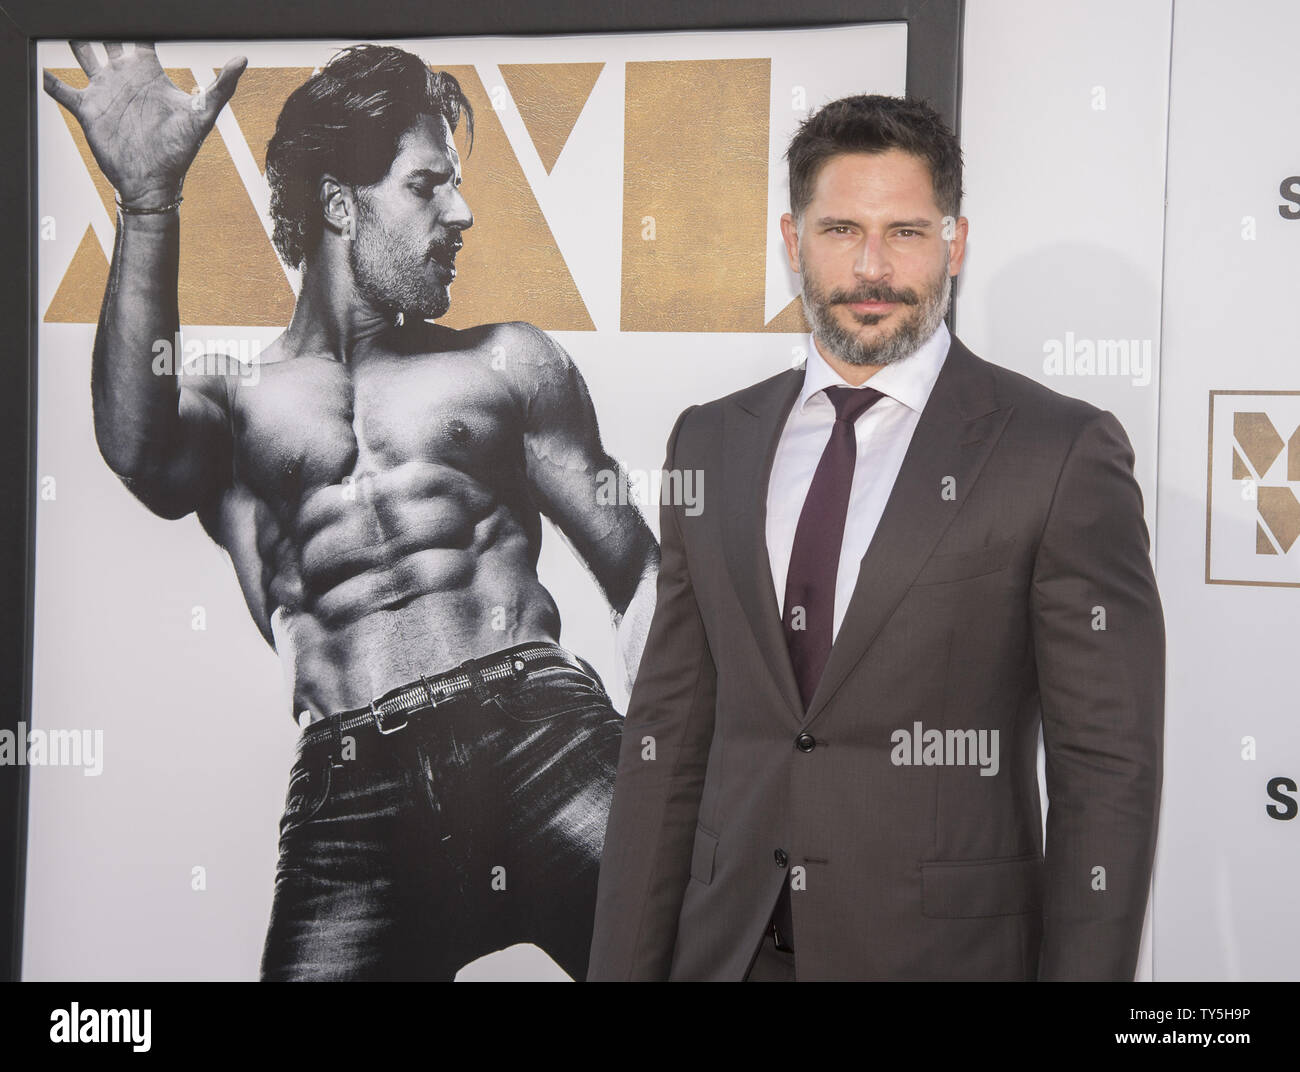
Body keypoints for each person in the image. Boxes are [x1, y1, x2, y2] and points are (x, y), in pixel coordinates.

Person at [43, 40, 658, 981]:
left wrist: (691, 770)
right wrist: (149, 204)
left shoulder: (507, 363)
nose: (462, 212)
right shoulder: (234, 404)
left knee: (706, 956)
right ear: (341, 204)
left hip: (541, 733)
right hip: (351, 790)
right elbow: (136, 446)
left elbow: (641, 577)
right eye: (426, 186)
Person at [588, 93, 1164, 981]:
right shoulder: (710, 442)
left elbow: (1105, 769)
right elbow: (666, 732)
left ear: (955, 244)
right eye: (840, 230)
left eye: (905, 232)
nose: (871, 268)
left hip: (942, 955)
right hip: (727, 949)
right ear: (792, 241)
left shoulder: (1058, 451)